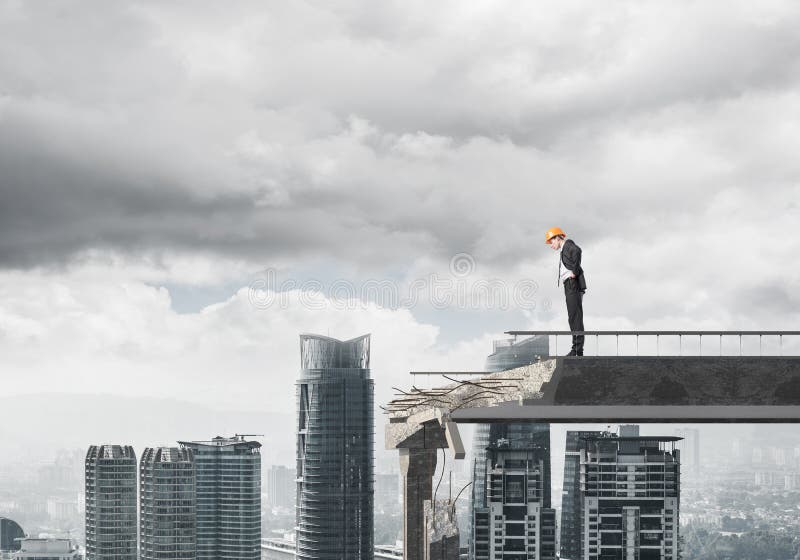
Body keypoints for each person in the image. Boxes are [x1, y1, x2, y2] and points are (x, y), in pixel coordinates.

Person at [545, 227, 587, 356]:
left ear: (557, 237)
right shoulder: (564, 249)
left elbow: (578, 251)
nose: (551, 245)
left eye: (551, 242)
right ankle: (576, 349)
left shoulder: (569, 245)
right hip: (569, 284)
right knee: (572, 317)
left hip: (572, 283)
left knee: (575, 317)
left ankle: (577, 350)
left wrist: (574, 271)